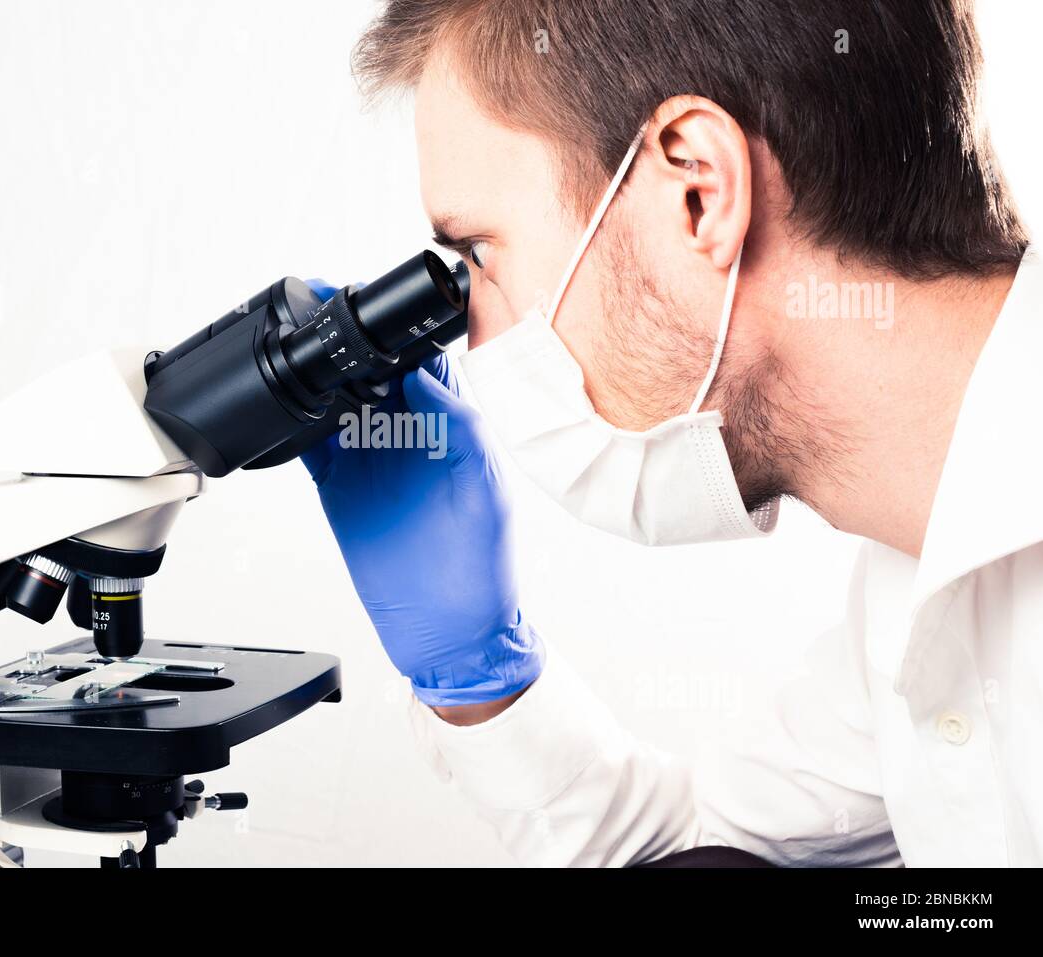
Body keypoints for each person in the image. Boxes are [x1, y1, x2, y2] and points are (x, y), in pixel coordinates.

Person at [302, 0, 1039, 866]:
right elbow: (703, 855)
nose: (470, 334)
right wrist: (479, 675)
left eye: (480, 255)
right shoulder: (919, 590)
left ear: (700, 192)